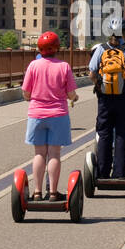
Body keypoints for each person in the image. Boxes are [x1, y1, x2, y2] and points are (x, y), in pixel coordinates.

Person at [21, 30, 78, 199]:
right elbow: (71, 94)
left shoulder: (33, 65)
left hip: (36, 114)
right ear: (57, 48)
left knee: (39, 153)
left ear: (40, 48)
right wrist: (74, 97)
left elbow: (25, 92)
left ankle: (37, 192)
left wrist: (31, 98)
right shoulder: (64, 66)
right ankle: (53, 192)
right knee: (54, 153)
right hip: (58, 115)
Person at [89, 18, 125, 178]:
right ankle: (120, 172)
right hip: (124, 96)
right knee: (123, 133)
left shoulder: (100, 49)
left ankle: (102, 172)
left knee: (104, 132)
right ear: (124, 33)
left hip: (105, 98)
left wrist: (99, 85)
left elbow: (92, 72)